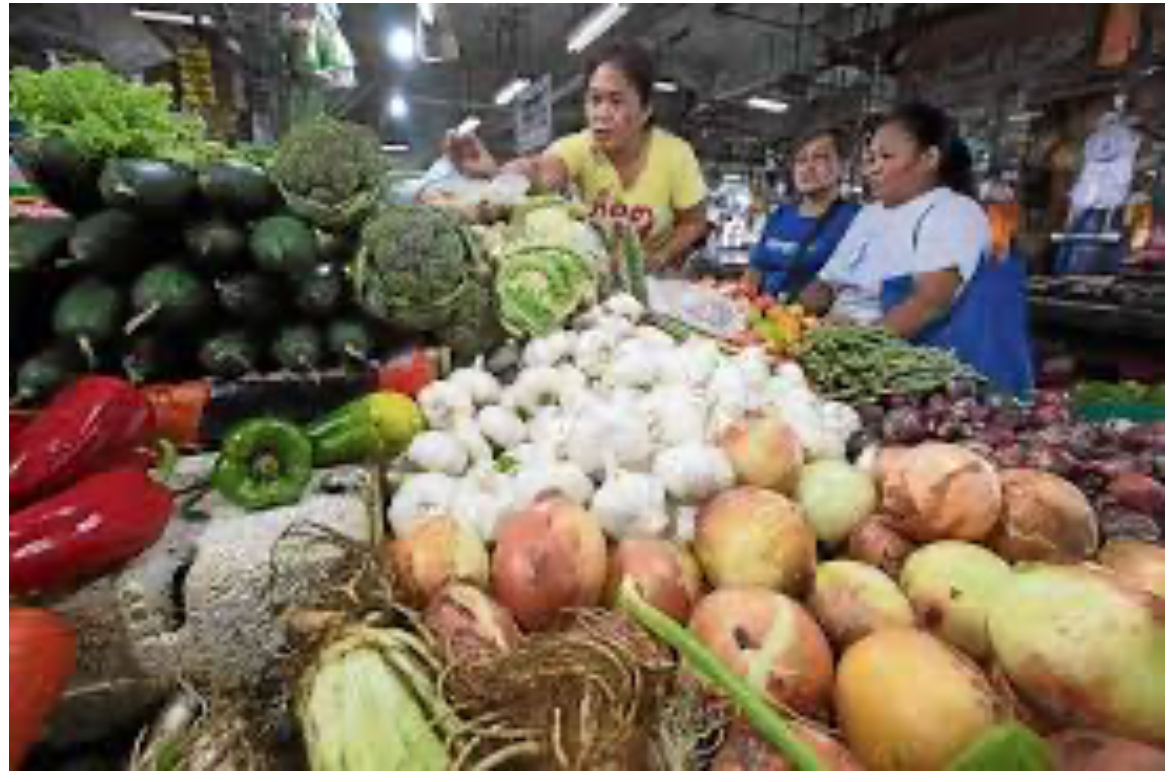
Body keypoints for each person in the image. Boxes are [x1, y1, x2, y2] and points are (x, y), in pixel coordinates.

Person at [801, 102, 1034, 397]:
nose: (871, 167)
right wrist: (782, 316)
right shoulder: (869, 214)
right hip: (836, 349)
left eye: (885, 157)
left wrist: (846, 352)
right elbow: (825, 284)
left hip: (900, 369)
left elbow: (928, 303)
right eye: (869, 157)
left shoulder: (953, 211)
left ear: (928, 159)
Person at [444, 41, 709, 273]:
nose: (601, 114)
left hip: (659, 284)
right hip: (599, 279)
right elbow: (538, 171)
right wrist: (497, 174)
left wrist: (660, 257)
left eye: (616, 101)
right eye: (595, 100)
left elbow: (694, 222)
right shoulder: (580, 147)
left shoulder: (676, 155)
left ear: (645, 110)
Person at [745, 128, 860, 300]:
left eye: (820, 158)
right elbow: (756, 267)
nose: (808, 167)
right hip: (762, 317)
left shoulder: (856, 221)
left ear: (843, 167)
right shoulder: (779, 216)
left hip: (815, 323)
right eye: (801, 160)